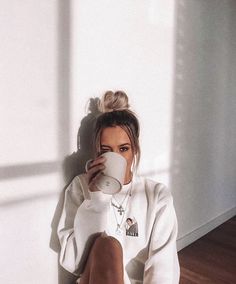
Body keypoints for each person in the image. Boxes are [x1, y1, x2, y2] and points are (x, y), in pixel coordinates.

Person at [57, 90, 180, 284]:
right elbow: (74, 263)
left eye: (124, 149)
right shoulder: (80, 187)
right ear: (97, 152)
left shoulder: (156, 195)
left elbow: (163, 267)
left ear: (135, 149)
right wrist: (96, 200)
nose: (117, 158)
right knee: (108, 246)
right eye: (106, 151)